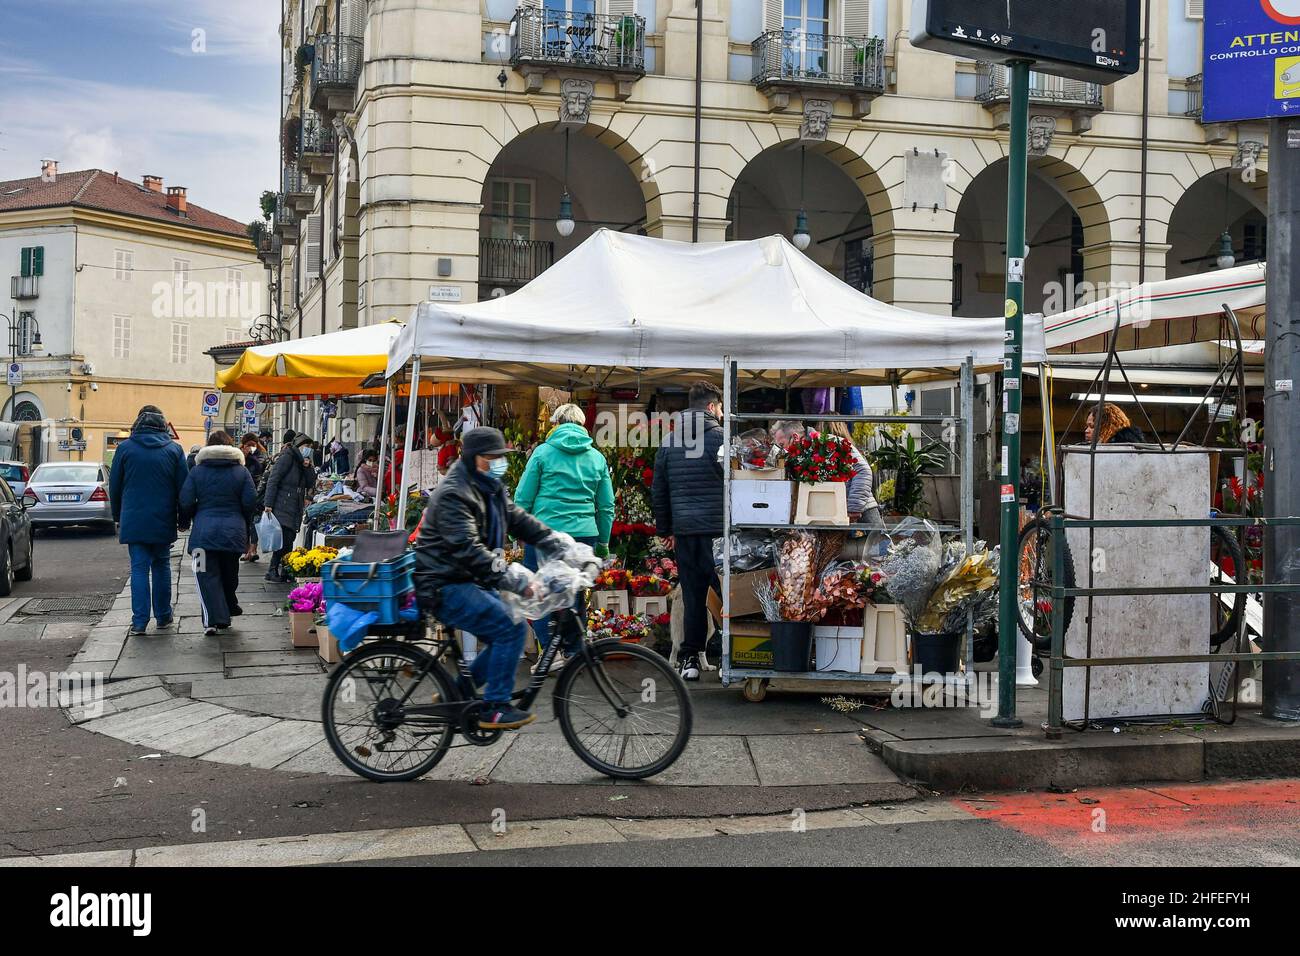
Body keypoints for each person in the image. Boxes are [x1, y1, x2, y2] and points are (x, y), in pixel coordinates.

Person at [413, 427, 559, 730]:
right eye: (491, 458)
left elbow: (516, 518)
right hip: (444, 584)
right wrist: (518, 582)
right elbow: (469, 550)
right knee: (510, 627)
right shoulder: (455, 492)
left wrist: (555, 542)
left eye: (500, 458)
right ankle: (495, 707)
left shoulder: (488, 486)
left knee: (508, 628)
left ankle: (457, 693)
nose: (497, 463)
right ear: (473, 459)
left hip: (467, 579)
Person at [513, 403, 614, 673]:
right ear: (582, 425)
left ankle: (549, 651)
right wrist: (603, 543)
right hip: (585, 534)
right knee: (574, 593)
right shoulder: (596, 457)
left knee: (535, 590)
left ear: (555, 423)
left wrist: (519, 531)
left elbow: (523, 497)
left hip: (545, 533)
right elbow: (606, 506)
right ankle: (573, 651)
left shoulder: (542, 453)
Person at [651, 381, 725, 681]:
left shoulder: (668, 442)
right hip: (719, 533)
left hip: (685, 532)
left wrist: (666, 528)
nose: (721, 413)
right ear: (711, 407)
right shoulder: (722, 438)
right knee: (727, 596)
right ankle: (729, 655)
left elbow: (659, 490)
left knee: (693, 596)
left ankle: (690, 659)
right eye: (720, 408)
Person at [110, 405, 189, 636]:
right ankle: (163, 616)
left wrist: (118, 516)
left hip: (134, 519)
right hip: (163, 518)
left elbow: (114, 487)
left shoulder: (124, 449)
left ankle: (139, 622)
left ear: (138, 424)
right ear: (163, 425)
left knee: (139, 569)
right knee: (162, 565)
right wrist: (183, 519)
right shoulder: (174, 450)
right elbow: (183, 488)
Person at [181, 431, 256, 636]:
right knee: (229, 573)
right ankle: (228, 606)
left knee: (204, 574)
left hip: (202, 537)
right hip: (233, 534)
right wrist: (245, 525)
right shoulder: (241, 472)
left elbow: (186, 501)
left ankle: (214, 619)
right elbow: (250, 501)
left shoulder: (197, 471)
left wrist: (185, 521)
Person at [772, 420, 883, 528]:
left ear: (795, 437)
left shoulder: (832, 442)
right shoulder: (797, 456)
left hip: (861, 508)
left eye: (782, 445)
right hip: (830, 515)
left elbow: (863, 470)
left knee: (879, 544)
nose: (782, 450)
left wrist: (854, 507)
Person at [262, 433, 317, 582]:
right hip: (282, 503)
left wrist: (308, 467)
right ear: (299, 446)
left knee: (290, 537)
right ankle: (273, 569)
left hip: (295, 504)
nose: (308, 449)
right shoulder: (287, 457)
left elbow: (310, 482)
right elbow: (273, 480)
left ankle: (285, 570)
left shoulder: (303, 462)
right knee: (284, 538)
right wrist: (268, 504)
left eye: (310, 447)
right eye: (306, 446)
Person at [239, 433, 267, 563]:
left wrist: (250, 457)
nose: (250, 448)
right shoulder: (238, 455)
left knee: (255, 522)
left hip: (257, 492)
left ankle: (253, 549)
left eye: (253, 445)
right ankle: (246, 550)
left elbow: (259, 469)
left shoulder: (261, 455)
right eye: (248, 445)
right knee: (244, 523)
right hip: (241, 493)